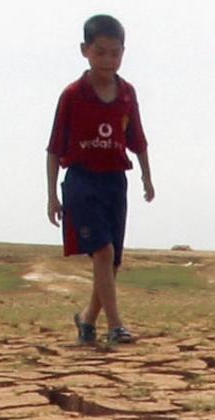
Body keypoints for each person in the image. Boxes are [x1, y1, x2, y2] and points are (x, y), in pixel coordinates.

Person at [47, 13, 156, 348]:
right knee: (103, 252)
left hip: (114, 181)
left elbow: (137, 138)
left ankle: (87, 319)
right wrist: (52, 196)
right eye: (100, 52)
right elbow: (54, 148)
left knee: (112, 261)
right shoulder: (73, 95)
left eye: (115, 53)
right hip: (82, 181)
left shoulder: (127, 94)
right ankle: (116, 326)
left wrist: (147, 177)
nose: (108, 60)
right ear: (85, 51)